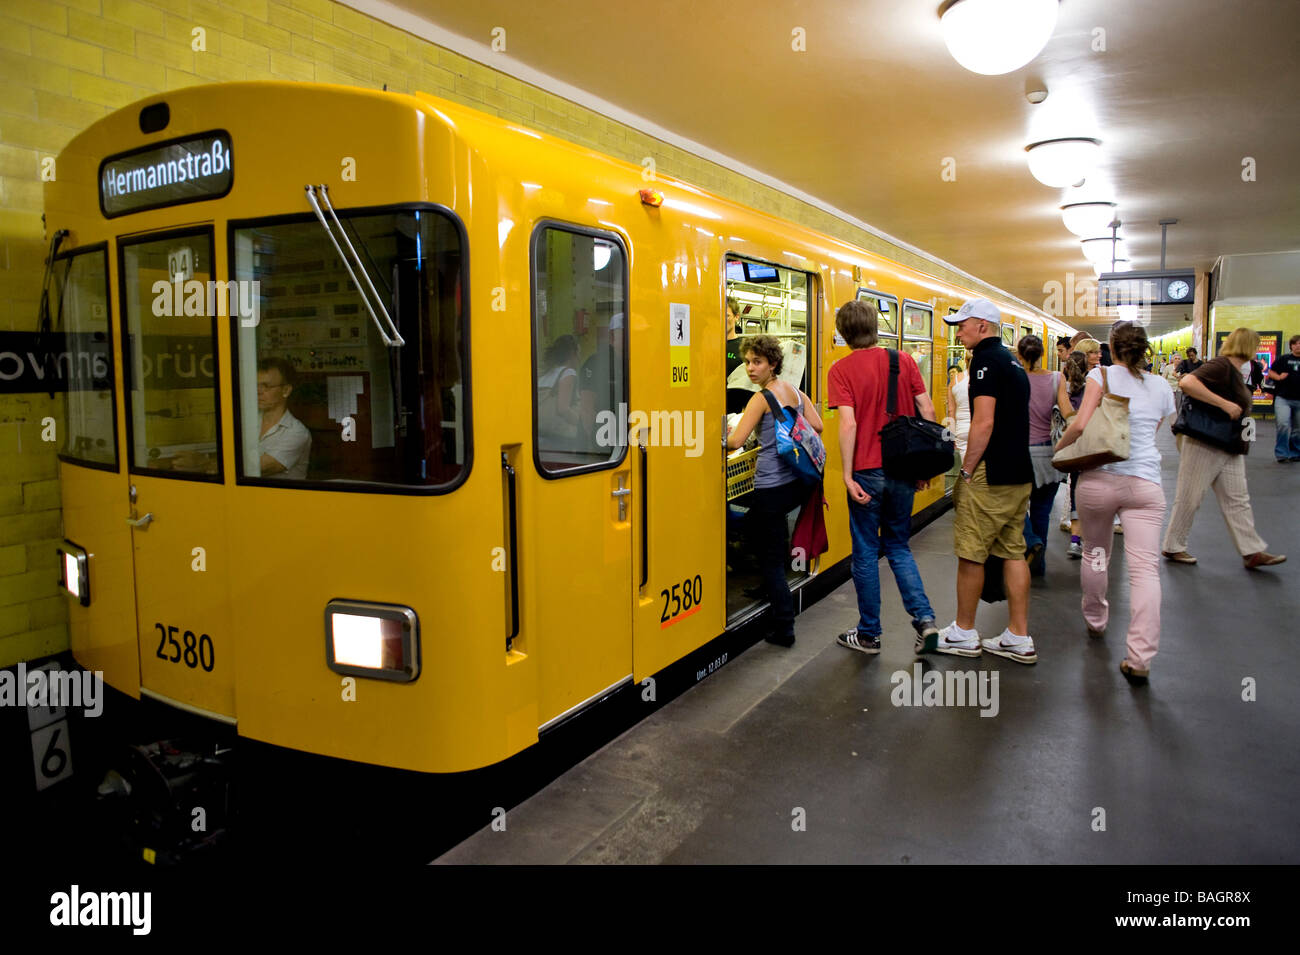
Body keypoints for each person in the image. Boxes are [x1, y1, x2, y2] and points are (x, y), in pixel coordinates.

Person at [1055, 322, 1176, 685]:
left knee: (1095, 552)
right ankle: (1140, 657)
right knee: (1145, 571)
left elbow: (1080, 424)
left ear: (1110, 347)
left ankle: (1096, 620)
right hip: (1145, 486)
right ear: (1145, 350)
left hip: (1099, 480)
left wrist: (1060, 451)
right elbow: (1148, 433)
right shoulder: (1160, 387)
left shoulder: (1100, 375)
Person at [826, 299, 940, 656]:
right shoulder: (903, 360)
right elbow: (928, 411)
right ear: (875, 327)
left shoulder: (840, 369)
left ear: (844, 333)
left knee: (865, 552)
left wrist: (846, 475)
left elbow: (848, 423)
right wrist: (922, 468)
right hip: (902, 468)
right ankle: (924, 620)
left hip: (866, 471)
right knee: (898, 546)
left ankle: (869, 635)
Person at [937, 299, 1036, 664]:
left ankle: (963, 632)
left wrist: (966, 470)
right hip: (1019, 472)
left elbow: (984, 422)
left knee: (971, 550)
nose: (957, 330)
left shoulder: (984, 361)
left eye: (962, 324)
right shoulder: (1013, 362)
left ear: (982, 325)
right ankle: (1018, 636)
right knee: (1012, 550)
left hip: (990, 474)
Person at [726, 335, 824, 646]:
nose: (751, 368)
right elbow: (817, 425)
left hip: (769, 484)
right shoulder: (795, 391)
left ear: (773, 364)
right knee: (764, 529)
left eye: (757, 362)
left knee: (769, 557)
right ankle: (768, 587)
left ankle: (784, 628)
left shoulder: (760, 399)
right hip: (794, 484)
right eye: (747, 362)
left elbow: (734, 442)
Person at [1161, 328, 1285, 570]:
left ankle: (1252, 550)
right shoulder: (1221, 365)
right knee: (1190, 495)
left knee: (1238, 498)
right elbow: (1187, 382)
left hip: (1227, 443)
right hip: (1205, 441)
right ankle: (1174, 545)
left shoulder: (1236, 370)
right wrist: (1224, 403)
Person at [1017, 335, 1070, 577]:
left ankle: (1030, 542)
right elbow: (1069, 413)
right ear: (1041, 354)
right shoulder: (1057, 378)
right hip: (1049, 454)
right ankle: (1038, 567)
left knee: (1014, 508)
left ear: (1020, 355)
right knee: (1041, 511)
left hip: (1020, 454)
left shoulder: (1014, 378)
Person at [1062, 338, 1102, 552]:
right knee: (1093, 489)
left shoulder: (1065, 384)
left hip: (1073, 444)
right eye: (1094, 353)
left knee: (1076, 488)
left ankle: (1076, 540)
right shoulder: (1097, 383)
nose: (1099, 356)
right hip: (1093, 442)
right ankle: (1090, 538)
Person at [256, 357, 311, 480]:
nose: (258, 391)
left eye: (265, 386)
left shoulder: (297, 432)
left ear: (286, 390)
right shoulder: (246, 421)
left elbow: (260, 468)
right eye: (256, 385)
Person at [537, 334, 580, 442]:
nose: (579, 358)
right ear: (572, 354)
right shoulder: (568, 373)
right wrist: (581, 423)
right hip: (559, 437)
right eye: (578, 353)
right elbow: (563, 409)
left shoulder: (546, 373)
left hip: (540, 434)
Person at [1267, 334, 1300, 462]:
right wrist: (1279, 377)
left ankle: (1295, 453)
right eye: (1295, 343)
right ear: (1291, 346)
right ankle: (1281, 453)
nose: (1298, 346)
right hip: (1283, 398)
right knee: (1283, 424)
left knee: (1297, 429)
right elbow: (1270, 372)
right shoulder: (1284, 359)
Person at [947, 349, 972, 463]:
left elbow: (951, 411)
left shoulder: (955, 380)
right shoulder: (986, 377)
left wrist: (951, 435)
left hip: (962, 429)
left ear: (965, 361)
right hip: (981, 429)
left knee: (966, 465)